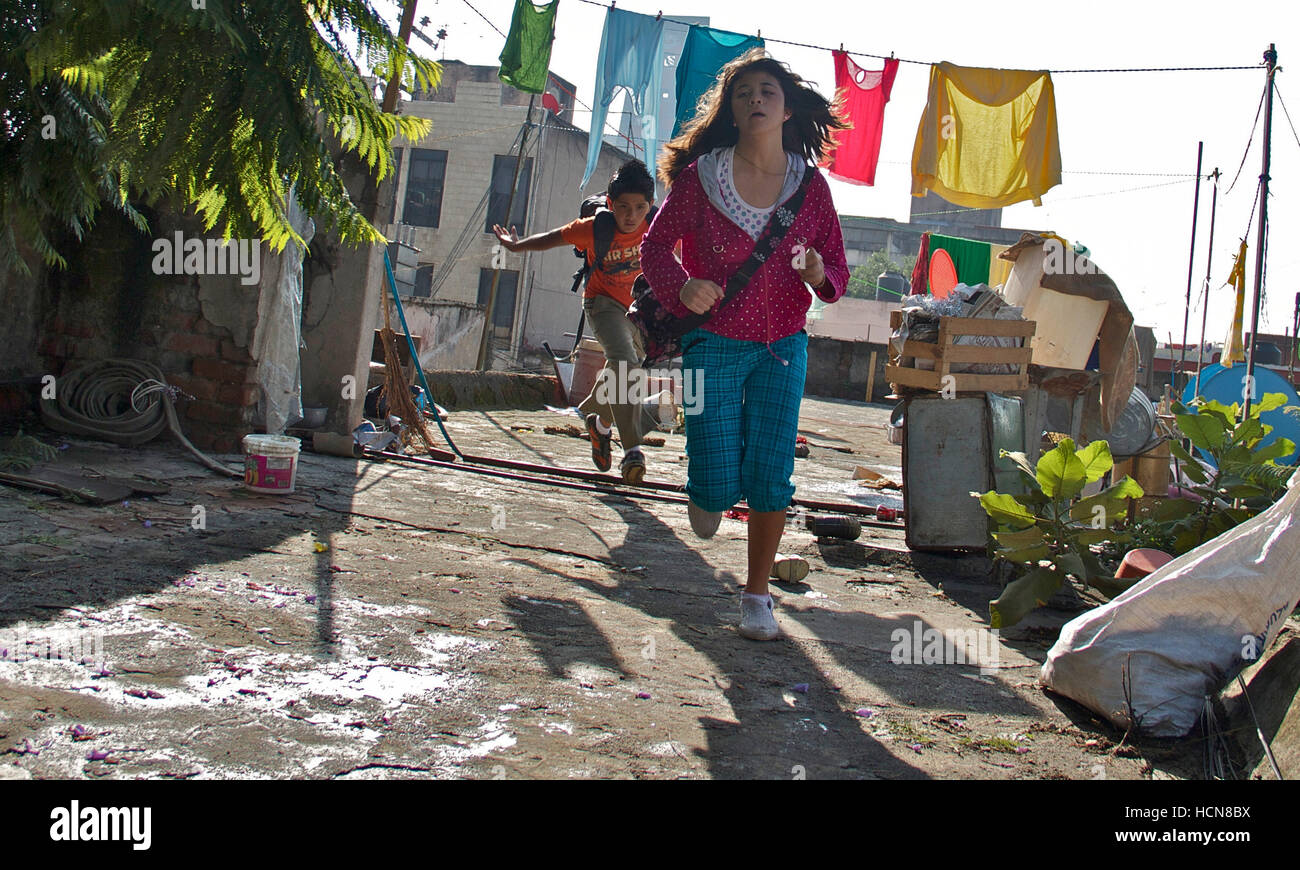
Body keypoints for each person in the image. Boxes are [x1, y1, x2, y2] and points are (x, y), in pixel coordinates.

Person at [639, 48, 849, 641]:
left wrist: (815, 273)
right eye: (743, 93)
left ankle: (757, 596)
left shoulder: (813, 190)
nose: (755, 100)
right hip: (712, 344)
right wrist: (685, 286)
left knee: (772, 469)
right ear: (730, 111)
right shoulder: (701, 179)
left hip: (784, 344)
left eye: (767, 92)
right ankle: (704, 487)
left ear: (786, 110)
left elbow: (837, 270)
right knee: (713, 477)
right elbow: (655, 249)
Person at [493, 159, 658, 483]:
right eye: (623, 207)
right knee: (625, 363)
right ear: (610, 204)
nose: (631, 216)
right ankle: (632, 451)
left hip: (639, 309)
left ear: (650, 206)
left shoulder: (657, 227)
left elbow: (684, 254)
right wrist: (516, 246)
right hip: (602, 303)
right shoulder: (597, 227)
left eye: (640, 207)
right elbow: (552, 237)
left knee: (623, 370)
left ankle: (597, 422)